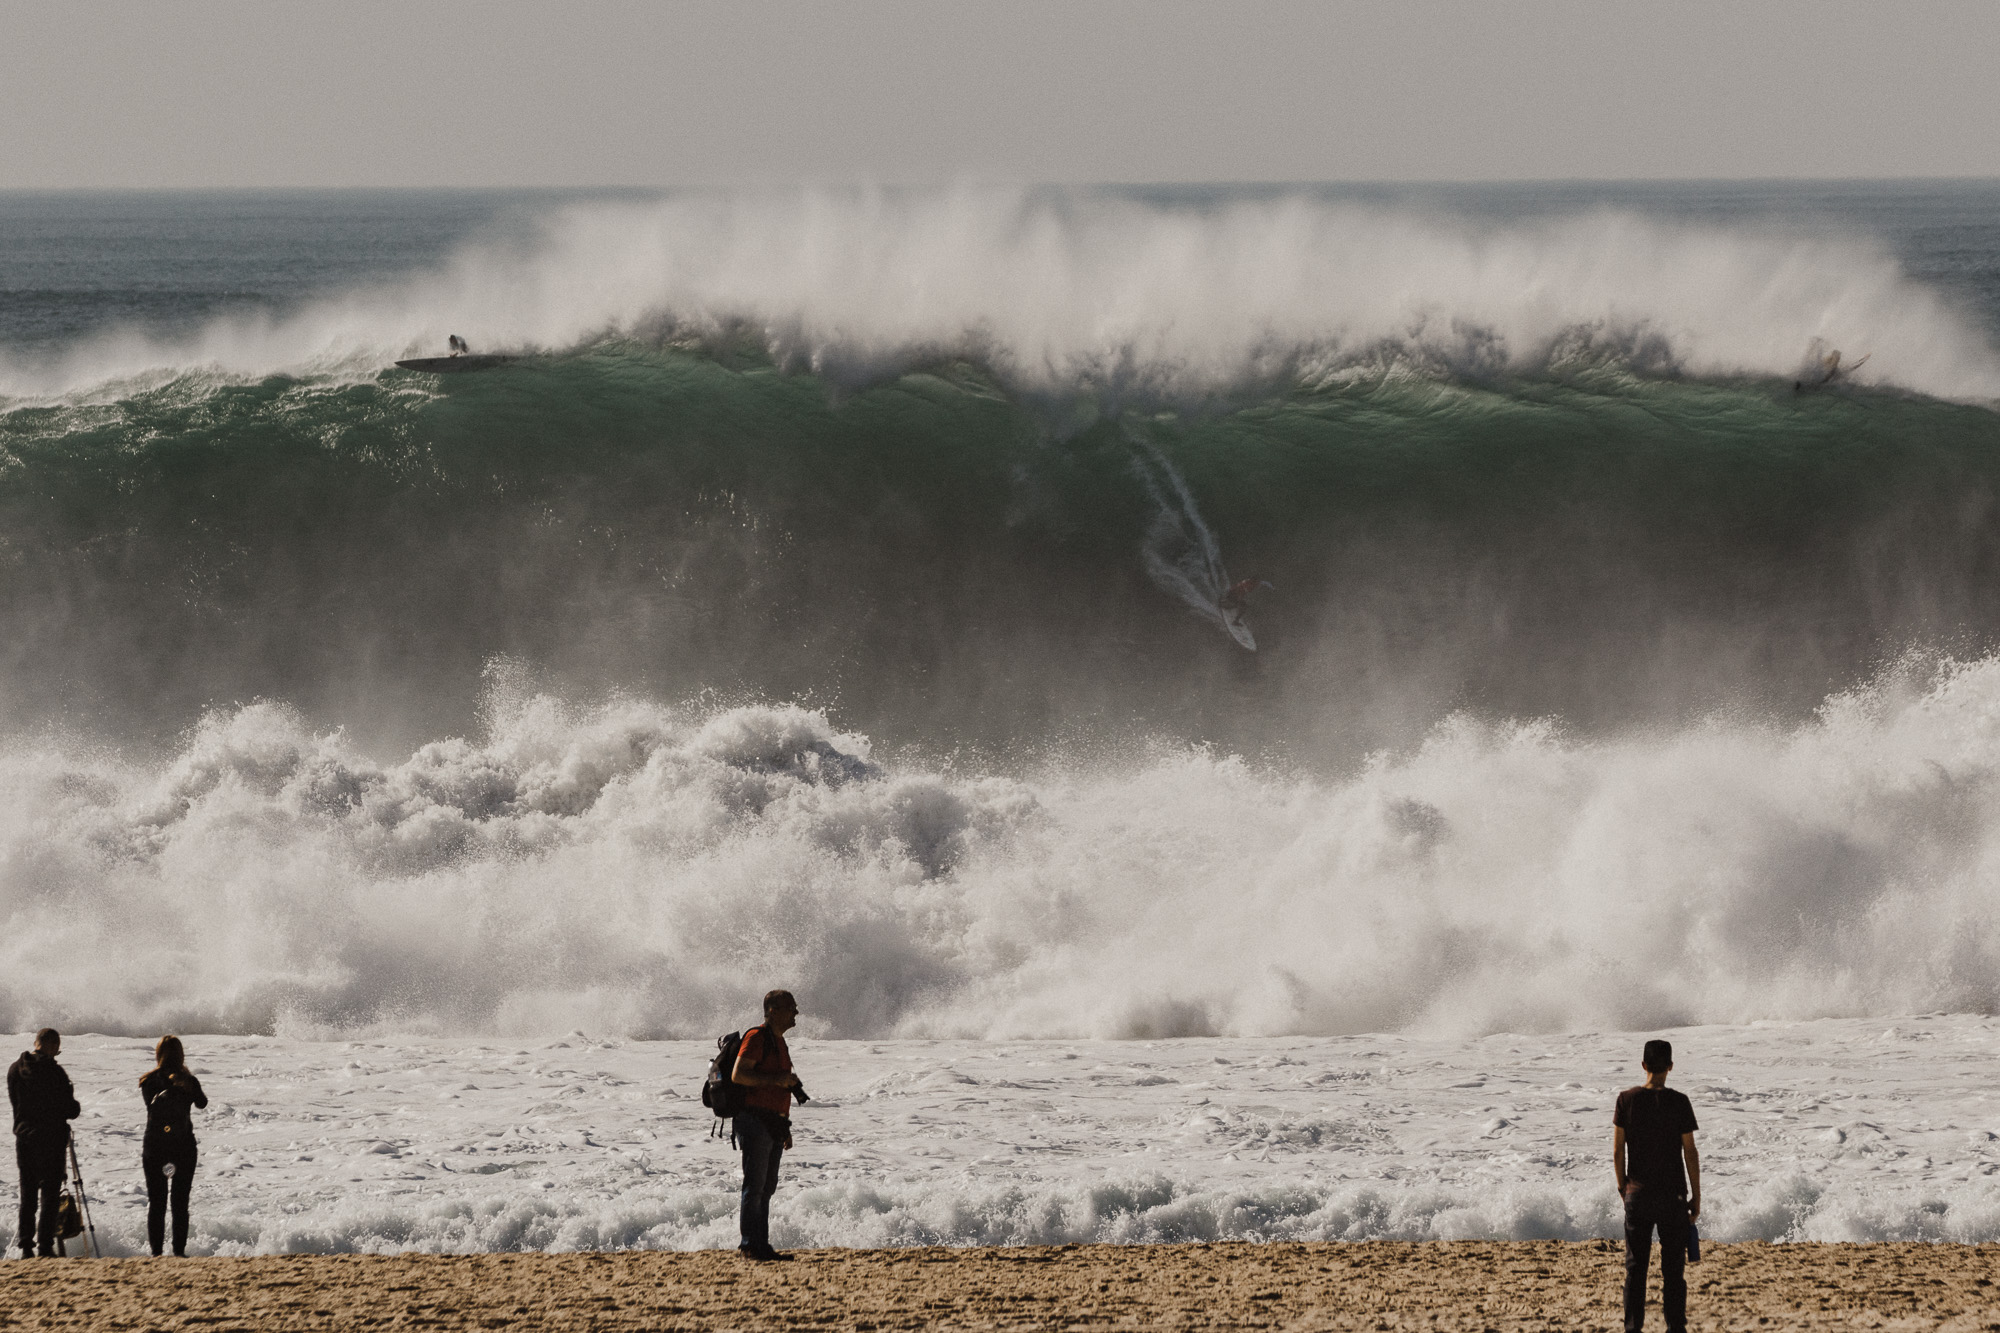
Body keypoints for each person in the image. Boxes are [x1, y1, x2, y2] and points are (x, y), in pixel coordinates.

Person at [1613, 1039, 1701, 1333]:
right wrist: (1696, 1196)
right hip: (1672, 1196)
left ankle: (1633, 1328)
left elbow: (1618, 1150)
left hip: (1637, 1194)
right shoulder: (1679, 1101)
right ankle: (1675, 1328)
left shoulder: (1626, 1100)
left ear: (1643, 1065)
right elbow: (1690, 1151)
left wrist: (1622, 1186)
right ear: (1671, 1067)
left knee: (1635, 1269)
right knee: (1673, 1271)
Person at [730, 989, 805, 1261]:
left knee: (767, 1186)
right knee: (756, 1185)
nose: (796, 1012)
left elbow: (778, 1085)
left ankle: (761, 1245)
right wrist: (776, 1081)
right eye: (791, 1007)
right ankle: (750, 1245)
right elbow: (739, 1075)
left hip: (773, 1123)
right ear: (773, 1010)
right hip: (754, 1121)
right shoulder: (757, 1037)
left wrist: (785, 1128)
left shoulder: (779, 1042)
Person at [8, 1028, 80, 1259]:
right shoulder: (55, 1071)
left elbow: (15, 1103)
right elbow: (70, 1109)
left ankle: (26, 1246)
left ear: (36, 1042)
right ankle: (45, 1246)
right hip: (51, 1139)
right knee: (49, 1194)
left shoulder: (15, 1069)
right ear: (52, 1045)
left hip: (24, 1137)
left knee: (28, 1193)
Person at [138, 1035, 208, 1257]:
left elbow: (151, 1105)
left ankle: (156, 1253)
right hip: (182, 1147)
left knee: (157, 1202)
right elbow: (202, 1103)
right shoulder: (188, 1080)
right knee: (180, 1202)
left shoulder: (148, 1081)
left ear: (158, 1055)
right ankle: (178, 1252)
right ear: (181, 1055)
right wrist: (187, 1086)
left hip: (155, 1147)